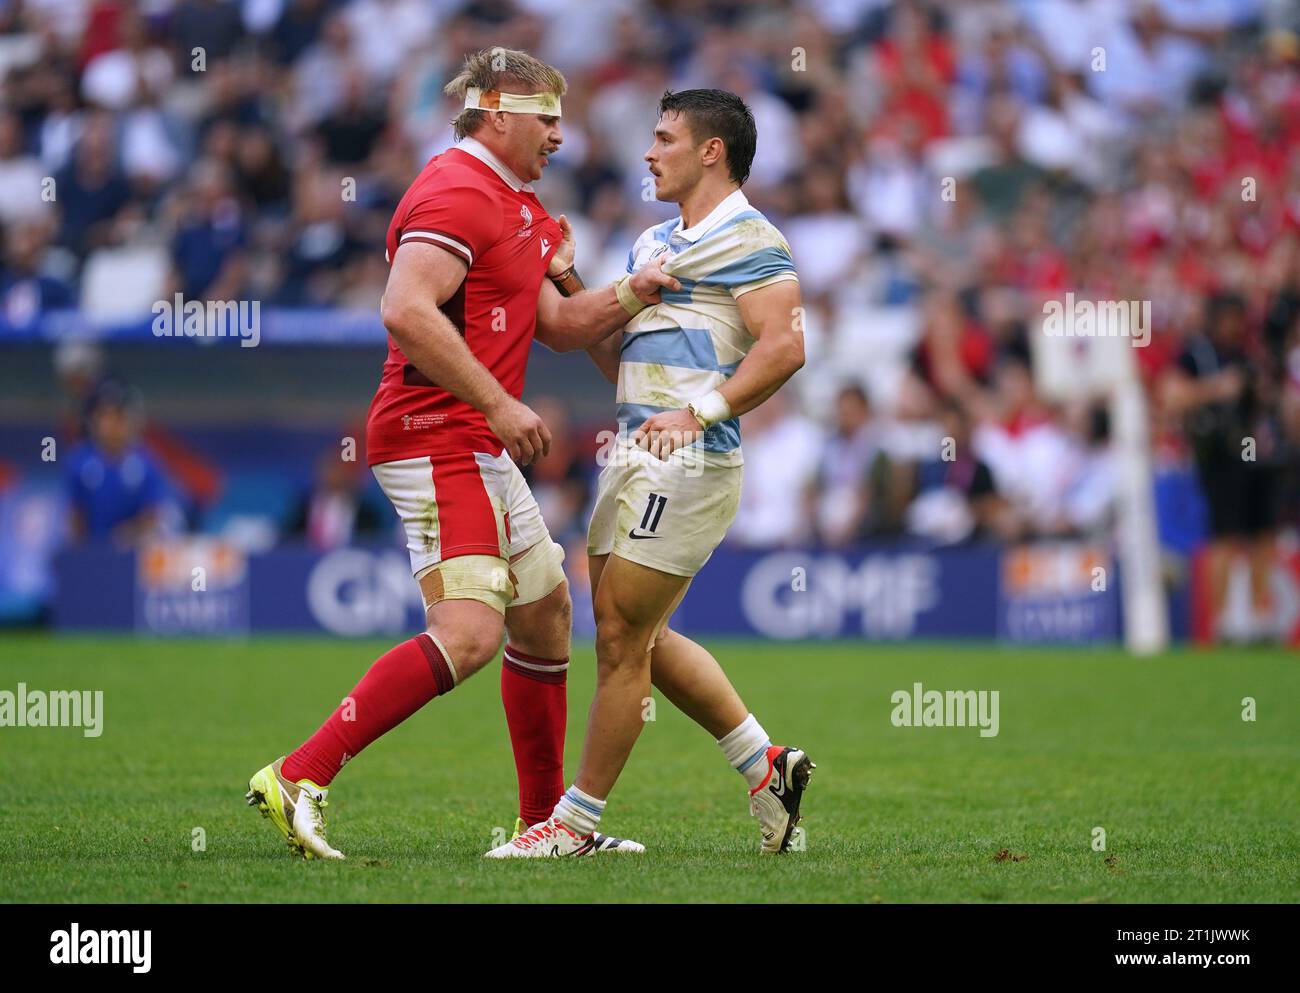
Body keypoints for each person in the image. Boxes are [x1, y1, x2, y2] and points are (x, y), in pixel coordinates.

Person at [247, 48, 677, 860]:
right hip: (433, 435)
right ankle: (299, 773)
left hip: (469, 439)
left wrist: (631, 292)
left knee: (547, 614)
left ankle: (547, 828)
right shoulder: (452, 188)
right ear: (496, 113)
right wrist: (498, 400)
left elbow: (556, 325)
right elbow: (404, 309)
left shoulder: (516, 203)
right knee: (473, 633)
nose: (560, 134)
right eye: (546, 118)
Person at [487, 89, 813, 858]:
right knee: (639, 633)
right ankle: (766, 767)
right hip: (633, 453)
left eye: (664, 137)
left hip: (692, 458)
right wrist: (571, 281)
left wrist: (697, 412)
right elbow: (617, 359)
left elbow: (785, 348)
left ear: (712, 151)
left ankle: (573, 824)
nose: (648, 151)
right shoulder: (651, 245)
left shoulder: (755, 239)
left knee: (624, 636)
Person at [65, 381, 171, 547]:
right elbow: (75, 516)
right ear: (94, 421)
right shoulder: (79, 462)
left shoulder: (147, 463)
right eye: (105, 416)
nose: (112, 424)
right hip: (92, 553)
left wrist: (126, 536)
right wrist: (79, 552)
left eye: (119, 417)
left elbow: (153, 516)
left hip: (133, 552)